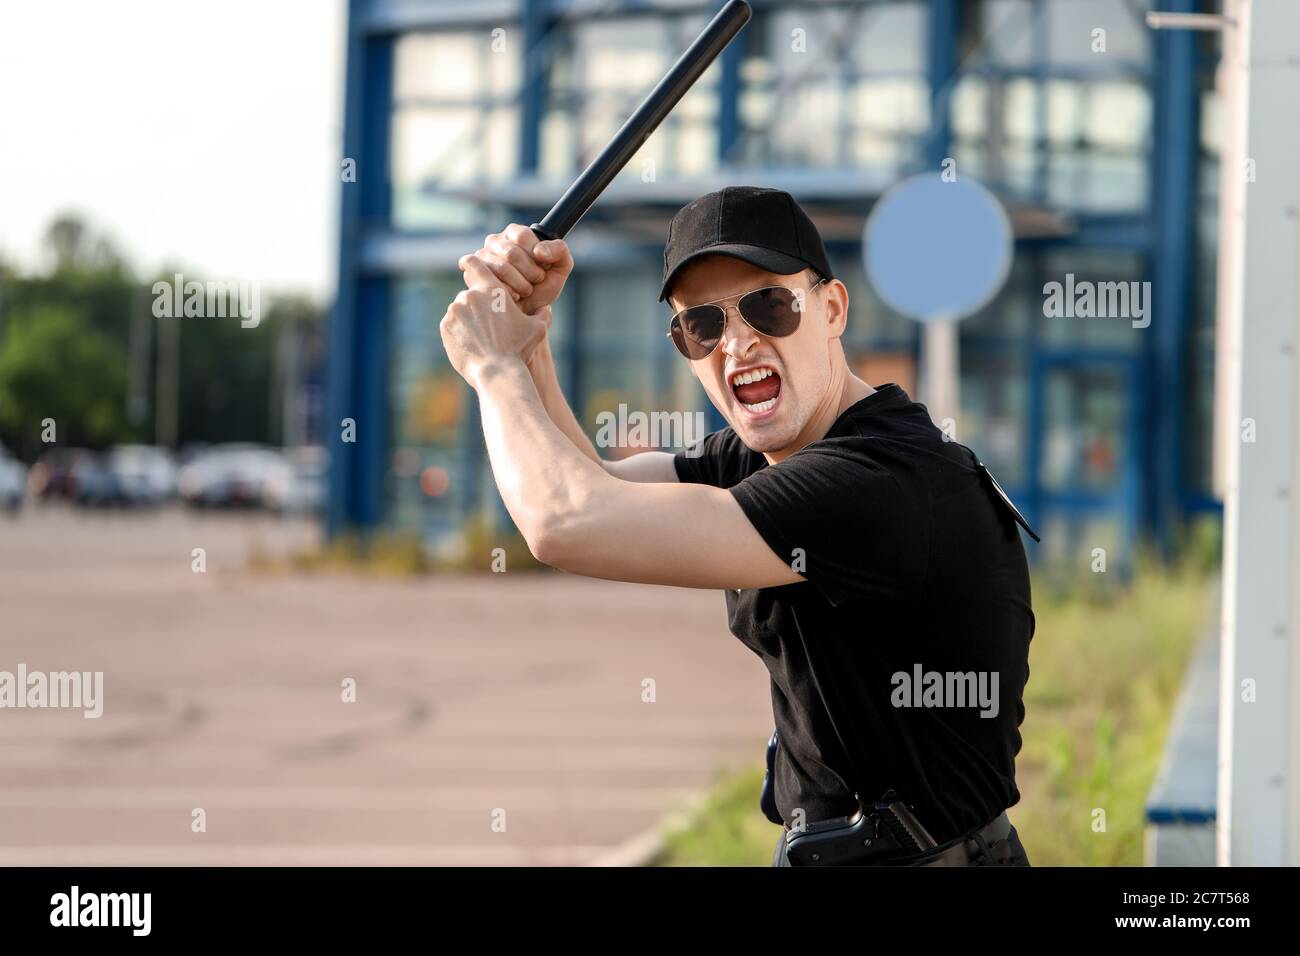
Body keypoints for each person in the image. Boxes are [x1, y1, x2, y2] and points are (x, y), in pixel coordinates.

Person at [441, 186, 1034, 866]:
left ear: (832, 309)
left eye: (769, 305)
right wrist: (530, 336)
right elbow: (589, 487)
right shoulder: (766, 457)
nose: (739, 341)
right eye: (703, 325)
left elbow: (564, 522)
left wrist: (491, 367)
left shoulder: (875, 481)